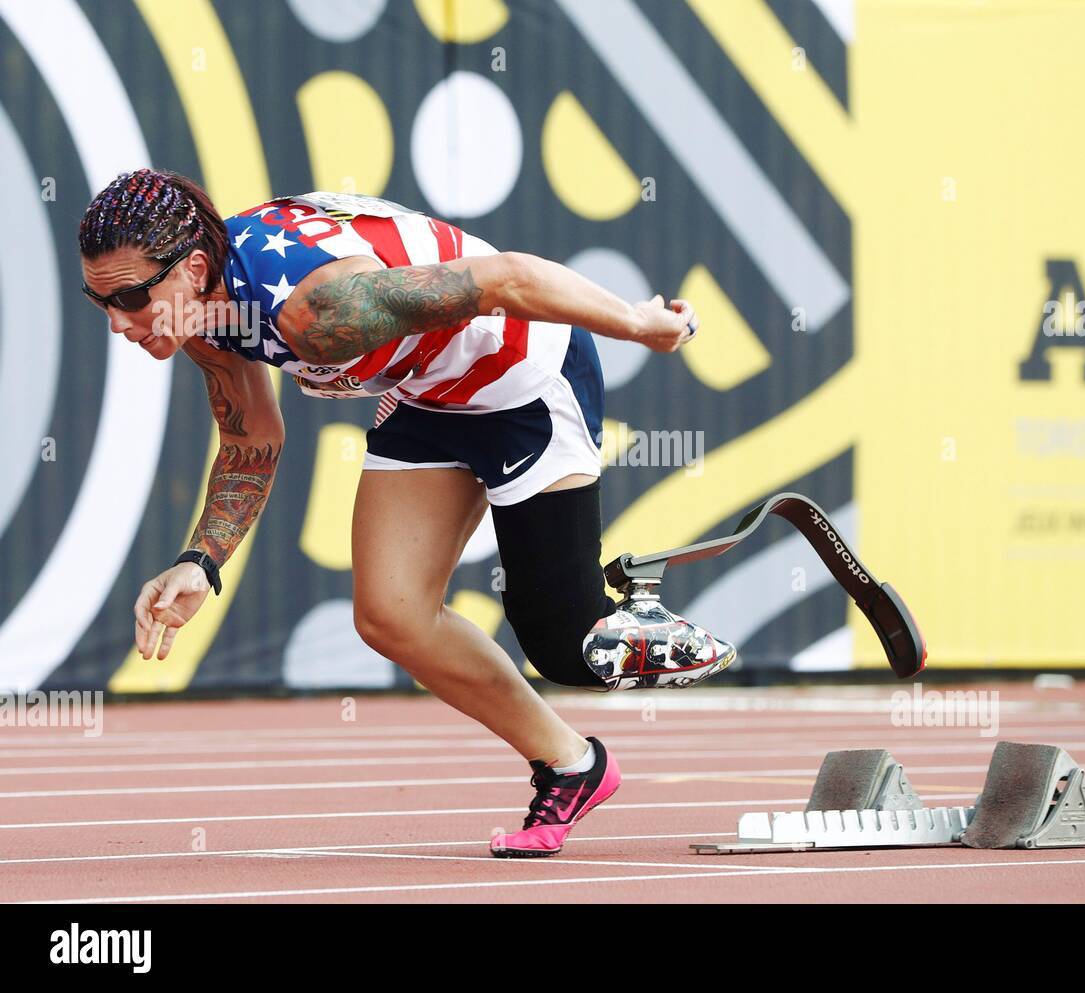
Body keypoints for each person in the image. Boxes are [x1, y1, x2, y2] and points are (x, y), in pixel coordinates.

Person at [78, 168, 737, 857]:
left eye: (130, 297)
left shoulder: (317, 308)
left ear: (196, 267)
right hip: (428, 398)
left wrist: (641, 323)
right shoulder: (199, 312)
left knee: (568, 646)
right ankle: (573, 764)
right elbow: (251, 439)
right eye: (102, 302)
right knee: (391, 613)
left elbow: (505, 278)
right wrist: (200, 562)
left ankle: (645, 604)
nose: (120, 322)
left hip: (524, 381)